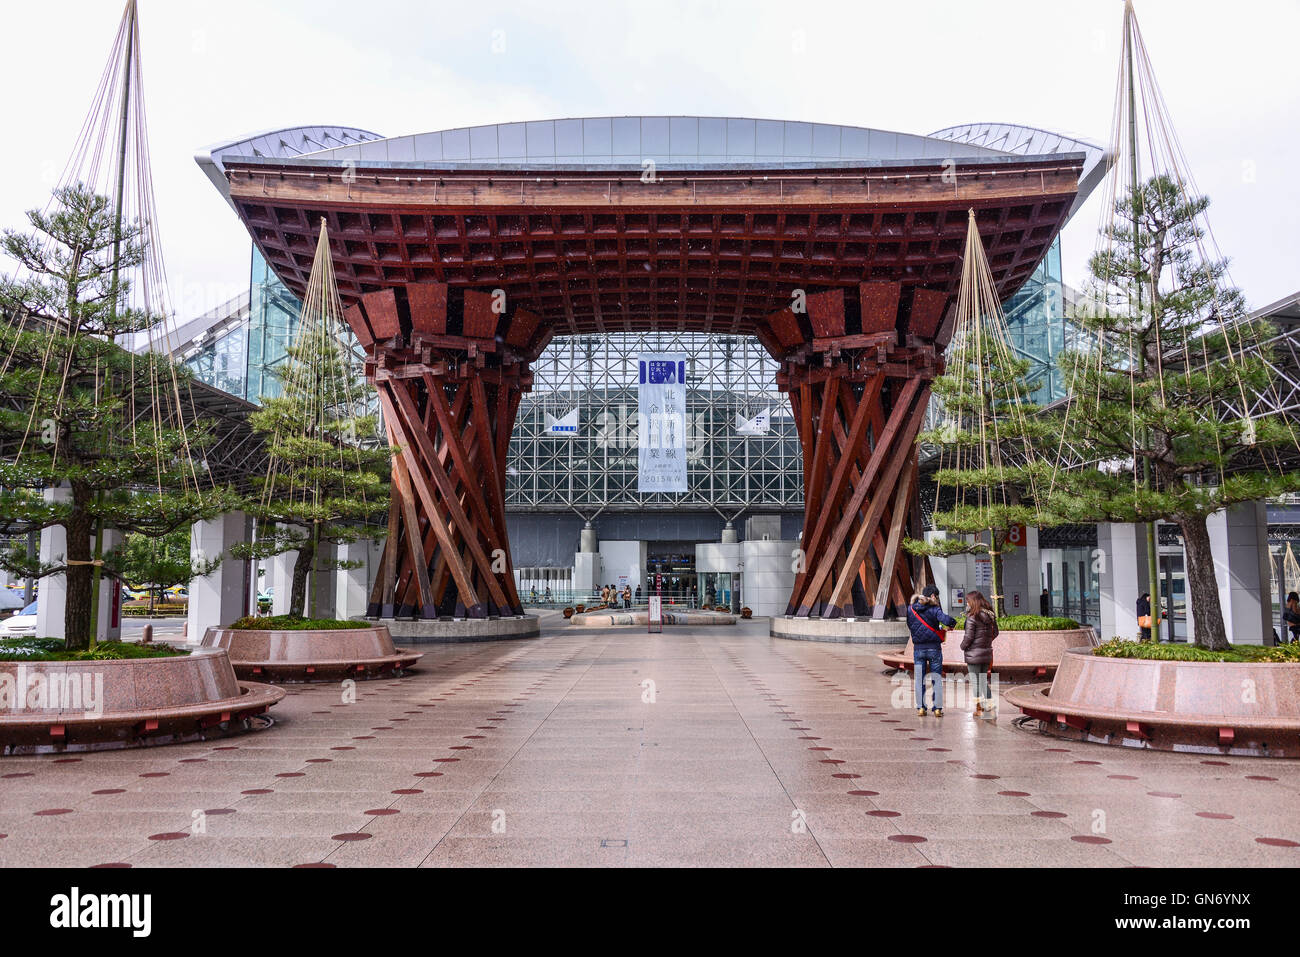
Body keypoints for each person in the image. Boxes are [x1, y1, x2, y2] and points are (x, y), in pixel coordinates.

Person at [907, 584, 956, 717]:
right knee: (936, 678)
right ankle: (937, 708)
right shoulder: (935, 609)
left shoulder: (911, 609)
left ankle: (921, 708)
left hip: (918, 649)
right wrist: (952, 624)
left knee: (919, 679)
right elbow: (947, 620)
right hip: (934, 649)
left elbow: (910, 625)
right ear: (933, 596)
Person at [961, 589, 999, 719]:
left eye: (968, 601)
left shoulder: (973, 617)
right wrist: (985, 643)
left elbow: (968, 637)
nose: (967, 604)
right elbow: (995, 633)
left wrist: (962, 646)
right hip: (986, 653)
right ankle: (990, 706)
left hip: (973, 654)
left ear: (973, 602)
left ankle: (979, 708)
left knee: (976, 682)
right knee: (982, 681)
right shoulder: (990, 615)